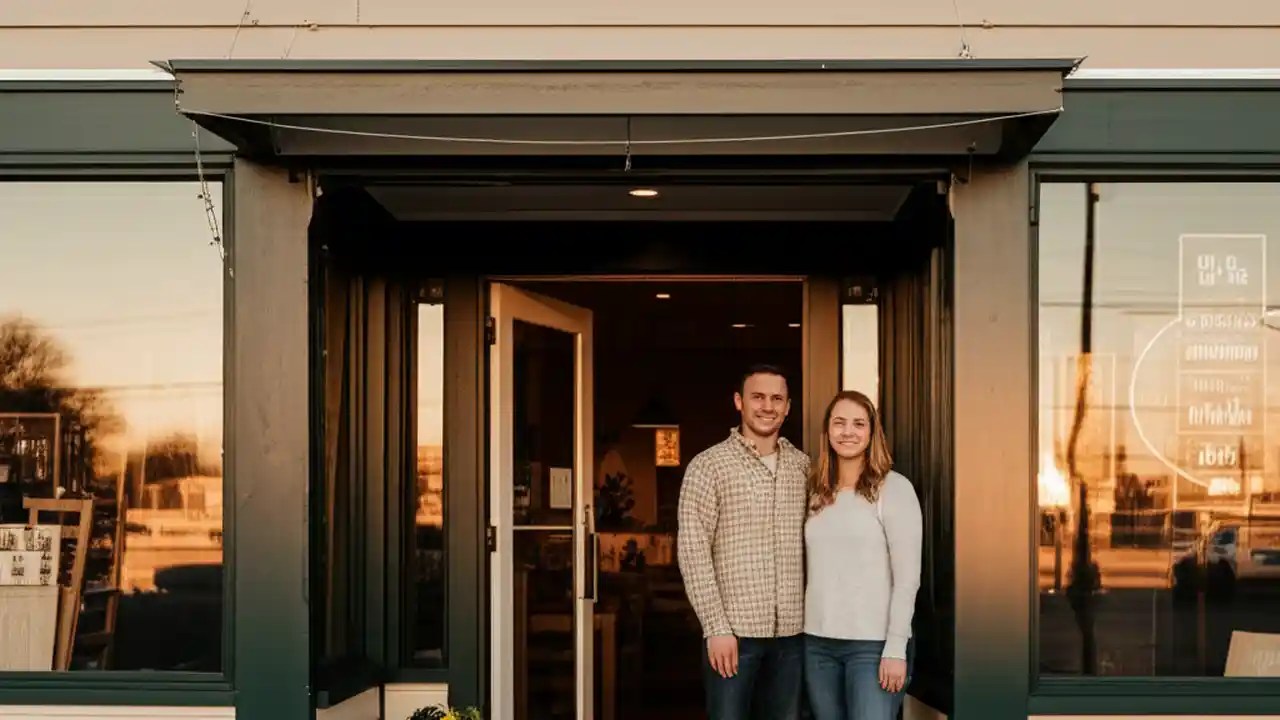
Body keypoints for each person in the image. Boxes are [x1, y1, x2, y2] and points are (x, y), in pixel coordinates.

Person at [677, 363, 810, 720]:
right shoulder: (709, 466)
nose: (768, 406)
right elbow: (693, 552)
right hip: (734, 635)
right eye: (758, 397)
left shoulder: (804, 468)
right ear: (739, 402)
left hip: (793, 637)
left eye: (777, 398)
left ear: (788, 407)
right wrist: (716, 627)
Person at [803, 390, 923, 720]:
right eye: (839, 423)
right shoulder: (816, 491)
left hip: (872, 646)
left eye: (858, 423)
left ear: (872, 433)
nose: (848, 432)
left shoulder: (894, 489)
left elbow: (908, 578)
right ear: (827, 431)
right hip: (817, 643)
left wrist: (896, 646)